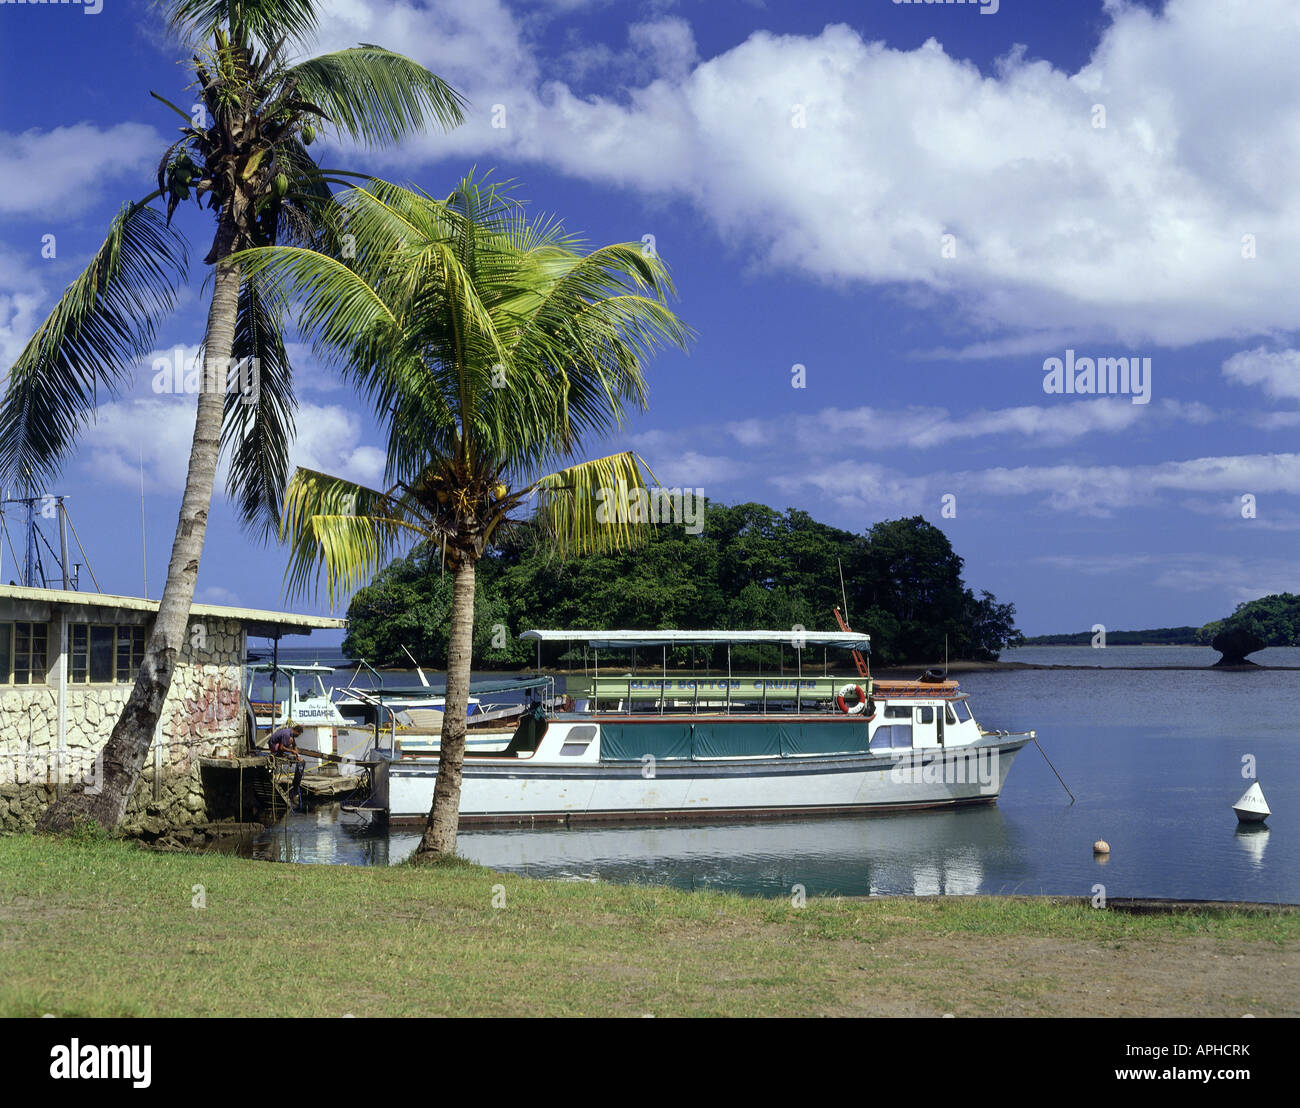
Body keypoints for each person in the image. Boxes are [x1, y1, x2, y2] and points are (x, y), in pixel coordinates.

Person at [266, 724, 306, 811]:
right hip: (274, 746)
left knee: (292, 741)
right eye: (298, 734)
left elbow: (295, 745)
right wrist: (292, 751)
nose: (298, 736)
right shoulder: (287, 734)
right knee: (290, 740)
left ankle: (281, 754)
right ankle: (278, 754)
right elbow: (282, 747)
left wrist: (297, 754)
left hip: (277, 745)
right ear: (296, 731)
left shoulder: (290, 732)